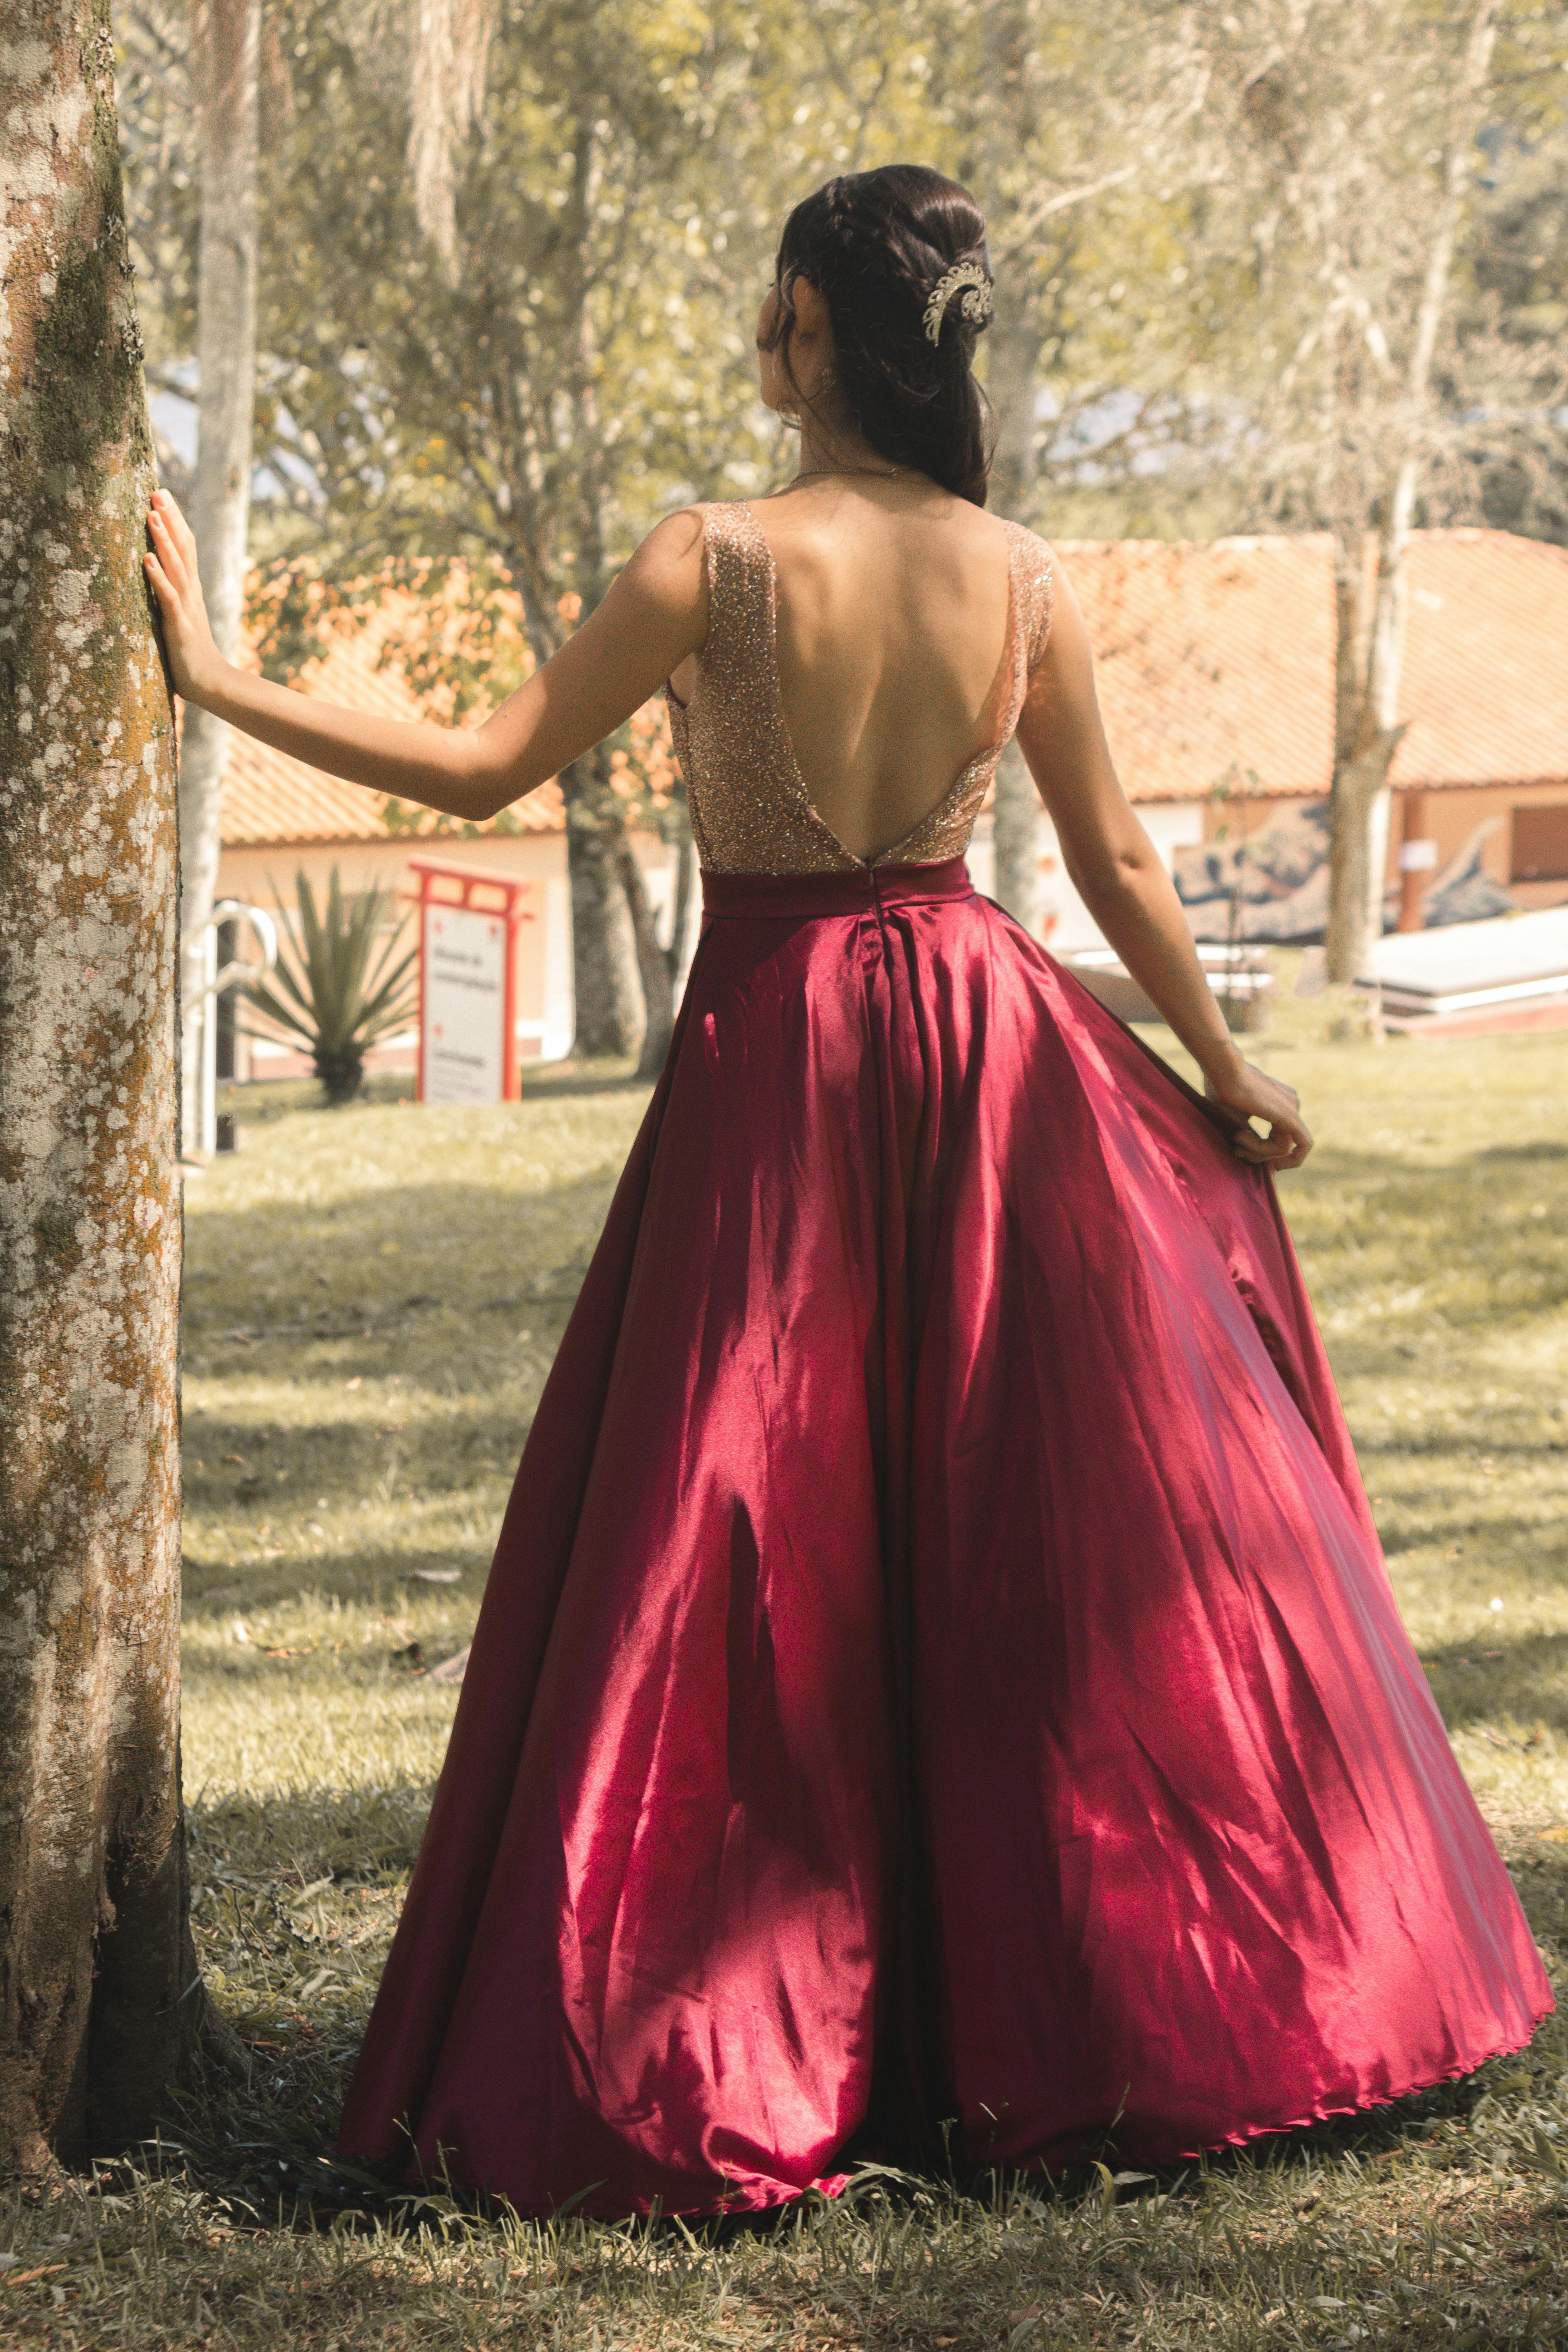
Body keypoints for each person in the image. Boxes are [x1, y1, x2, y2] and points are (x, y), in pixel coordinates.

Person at [146, 164, 1549, 2222]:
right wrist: (1229, 1070)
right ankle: (1078, 2014)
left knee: (744, 1527)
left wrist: (210, 675)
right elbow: (1126, 869)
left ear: (812, 326)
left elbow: (467, 769)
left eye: (772, 300)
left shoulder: (711, 560)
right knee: (1019, 1550)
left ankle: (753, 2039)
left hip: (782, 1059)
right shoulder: (1023, 576)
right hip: (987, 1054)